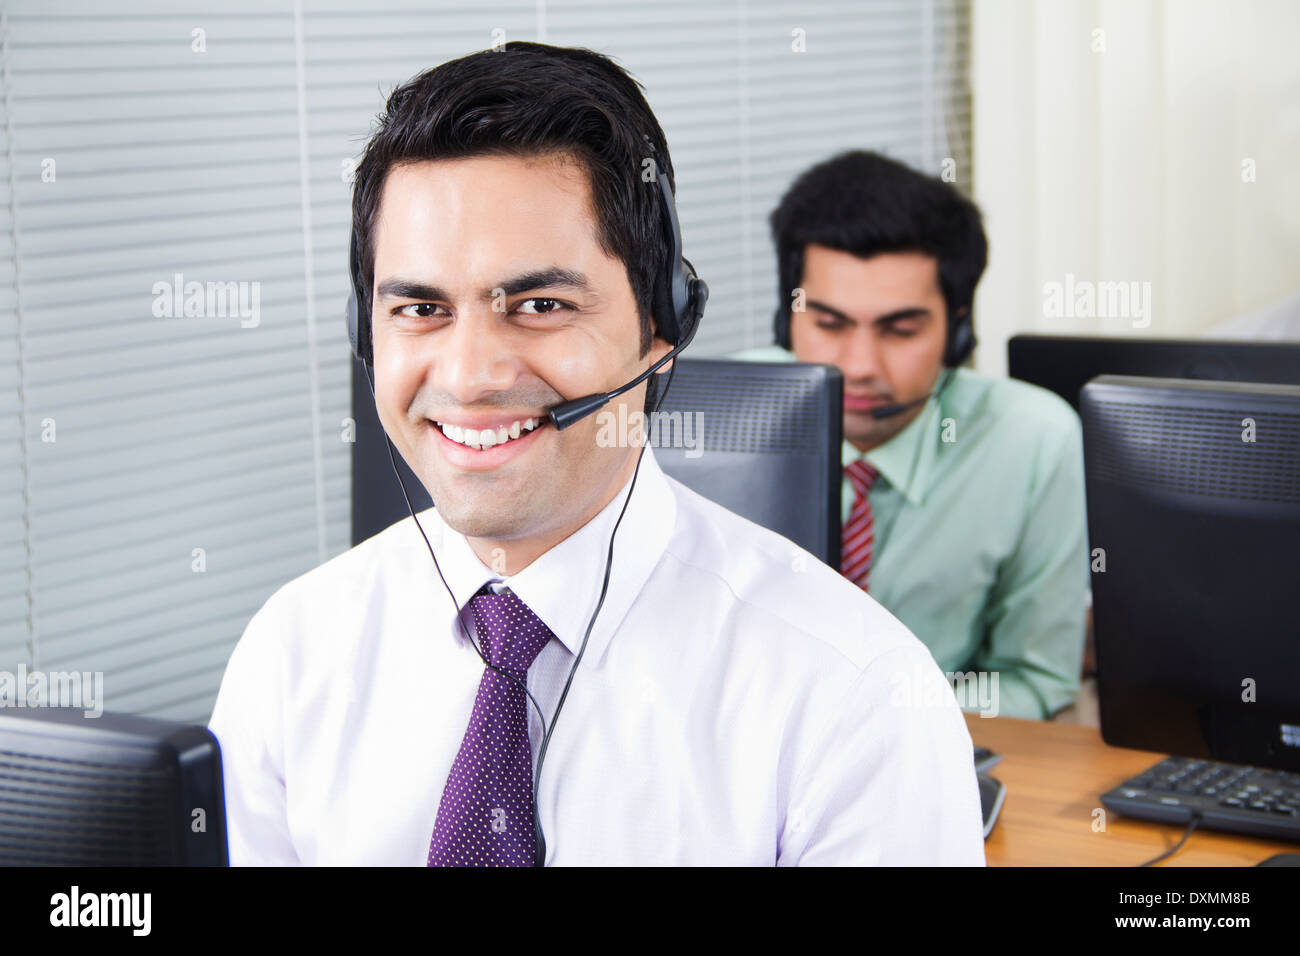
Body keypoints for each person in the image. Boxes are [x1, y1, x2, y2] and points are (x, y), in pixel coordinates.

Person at [208, 46, 984, 866]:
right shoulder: (294, 652)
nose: (471, 376)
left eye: (541, 304)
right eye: (421, 307)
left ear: (662, 329)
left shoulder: (852, 698)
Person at [735, 151, 1088, 721]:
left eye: (900, 330)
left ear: (959, 329)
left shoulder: (1033, 440)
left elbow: (1035, 682)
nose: (860, 365)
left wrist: (877, 722)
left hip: (930, 748)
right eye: (829, 324)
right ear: (787, 319)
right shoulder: (710, 416)